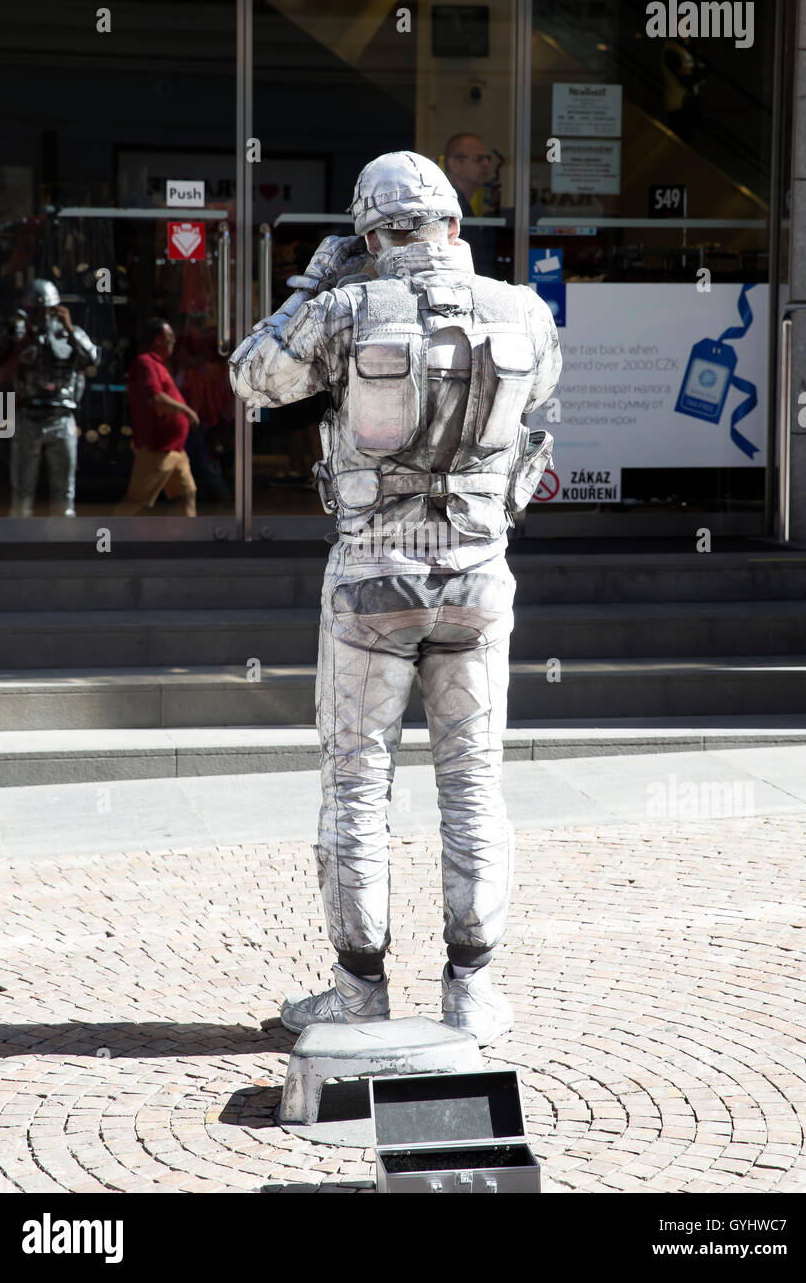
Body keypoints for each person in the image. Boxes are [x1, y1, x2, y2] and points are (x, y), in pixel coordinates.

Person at [229, 151, 562, 1046]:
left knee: (355, 789)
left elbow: (251, 378)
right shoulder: (523, 310)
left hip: (371, 578)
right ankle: (470, 991)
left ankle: (357, 992)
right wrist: (498, 510)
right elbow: (538, 425)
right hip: (478, 576)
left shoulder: (344, 308)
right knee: (474, 787)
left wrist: (310, 282)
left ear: (367, 236)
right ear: (454, 225)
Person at [2, 278, 99, 517]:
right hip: (28, 417)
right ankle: (18, 542)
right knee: (22, 491)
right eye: (35, 310)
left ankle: (61, 542)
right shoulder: (20, 335)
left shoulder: (70, 334)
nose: (41, 315)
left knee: (64, 491)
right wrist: (16, 335)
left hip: (61, 417)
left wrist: (70, 329)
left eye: (46, 310)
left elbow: (92, 359)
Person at [116, 318, 199, 516]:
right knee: (136, 501)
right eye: (169, 337)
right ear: (157, 340)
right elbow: (157, 399)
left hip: (175, 449)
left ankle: (191, 540)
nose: (173, 341)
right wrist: (187, 411)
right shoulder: (145, 362)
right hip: (157, 449)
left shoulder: (159, 364)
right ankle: (109, 536)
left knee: (187, 495)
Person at [443, 133, 497, 275]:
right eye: (479, 159)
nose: (486, 163)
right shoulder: (446, 205)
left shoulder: (465, 203)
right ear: (454, 164)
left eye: (487, 158)